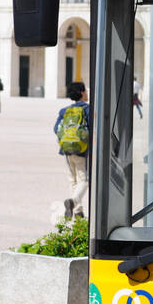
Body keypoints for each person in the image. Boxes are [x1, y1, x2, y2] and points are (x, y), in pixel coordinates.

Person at [54, 81, 90, 219]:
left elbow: (56, 129)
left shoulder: (65, 111)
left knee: (73, 180)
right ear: (82, 93)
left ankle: (78, 212)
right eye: (85, 91)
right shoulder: (87, 109)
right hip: (82, 151)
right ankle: (73, 202)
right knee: (85, 180)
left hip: (67, 150)